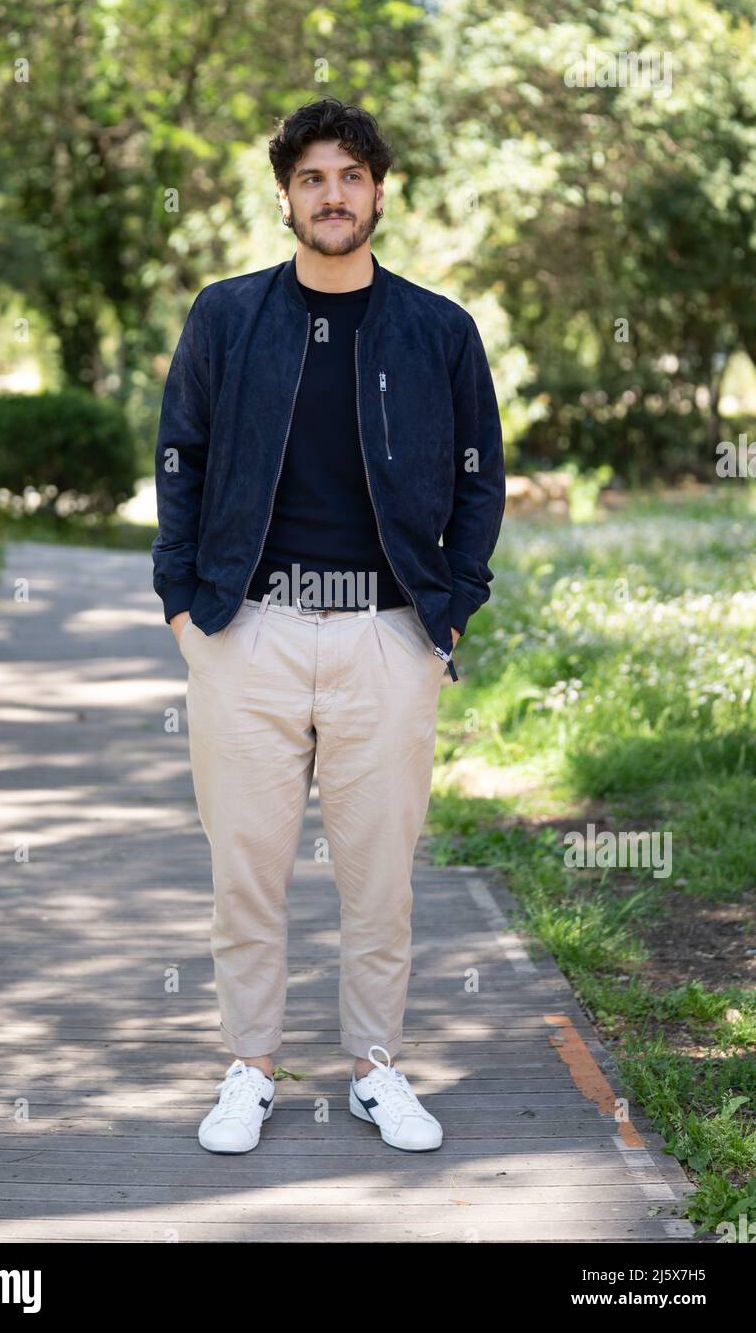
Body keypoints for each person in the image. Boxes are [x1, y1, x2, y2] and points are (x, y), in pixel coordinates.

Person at [152, 97, 506, 1154]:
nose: (332, 195)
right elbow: (181, 459)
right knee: (245, 869)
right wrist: (182, 609)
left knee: (377, 874)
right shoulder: (225, 317)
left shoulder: (437, 330)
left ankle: (374, 1068)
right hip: (244, 632)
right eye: (312, 178)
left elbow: (477, 480)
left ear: (379, 192)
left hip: (388, 637)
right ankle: (249, 1067)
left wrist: (447, 614)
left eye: (350, 176)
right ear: (285, 199)